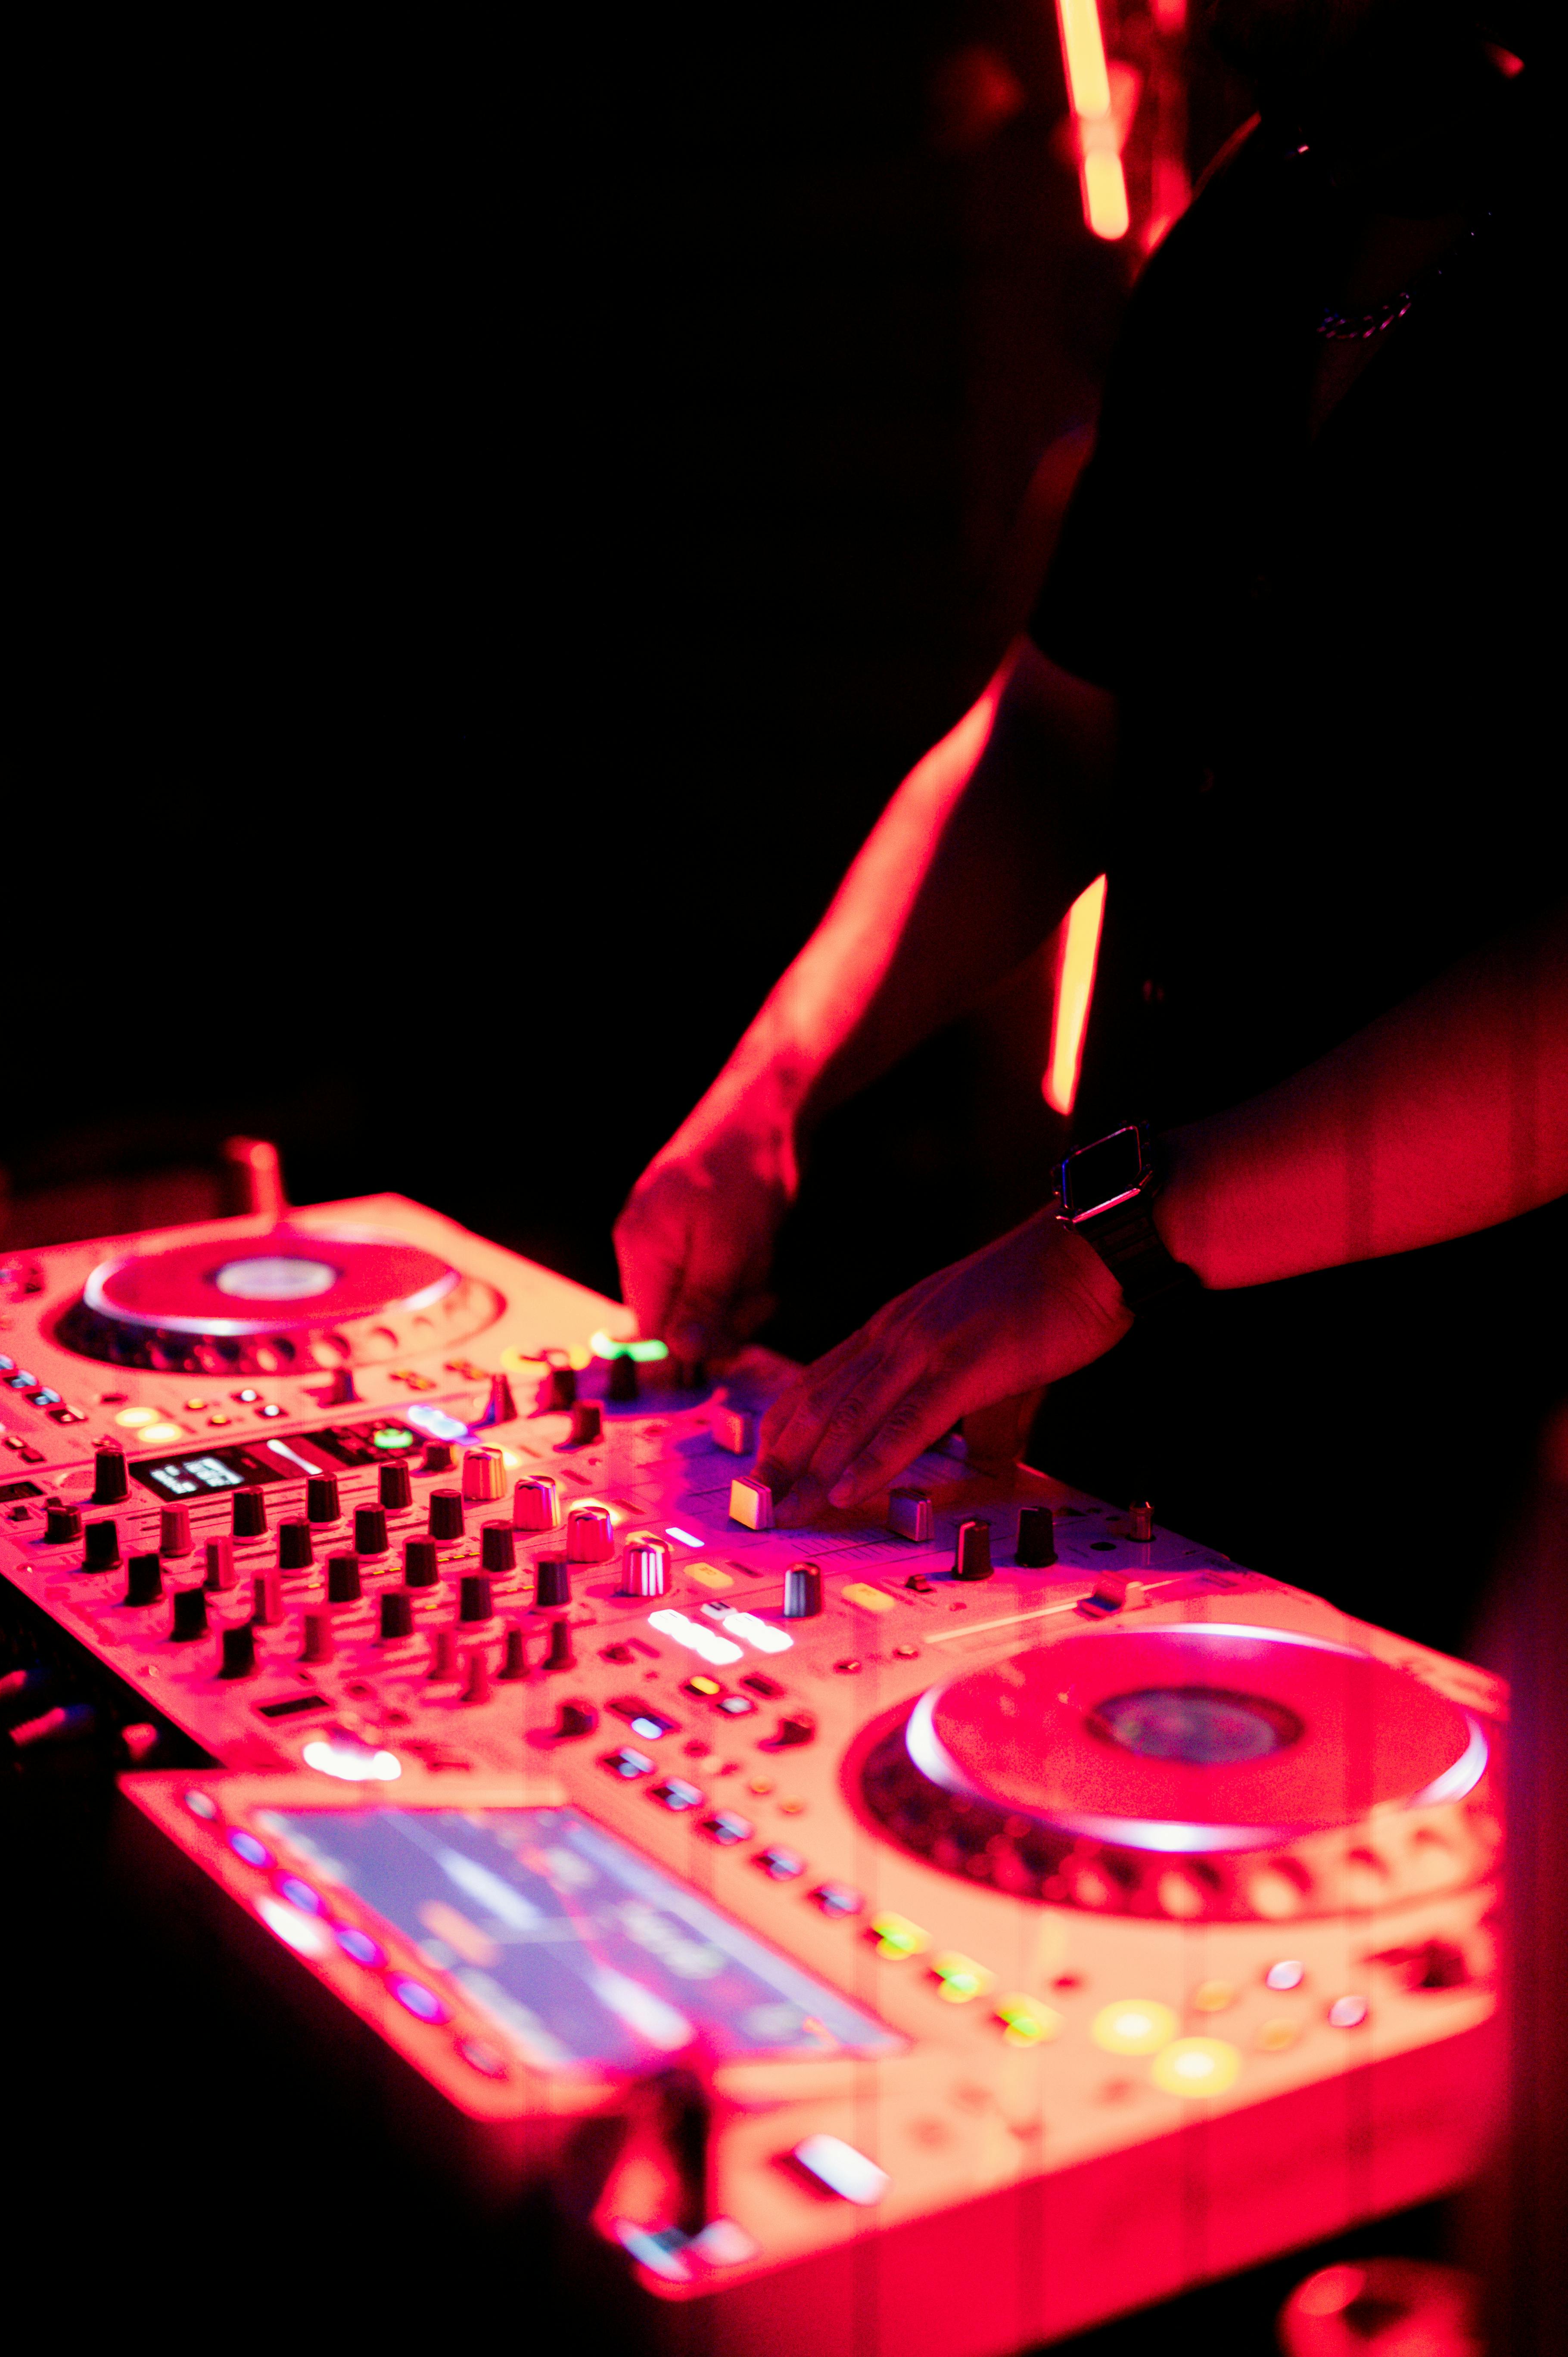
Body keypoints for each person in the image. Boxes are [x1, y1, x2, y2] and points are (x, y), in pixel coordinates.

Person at [614, 0, 1564, 1653]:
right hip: (1162, 1419)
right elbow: (1059, 730)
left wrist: (1120, 1240)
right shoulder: (1252, 235)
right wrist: (773, 1091)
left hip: (1498, 1488)